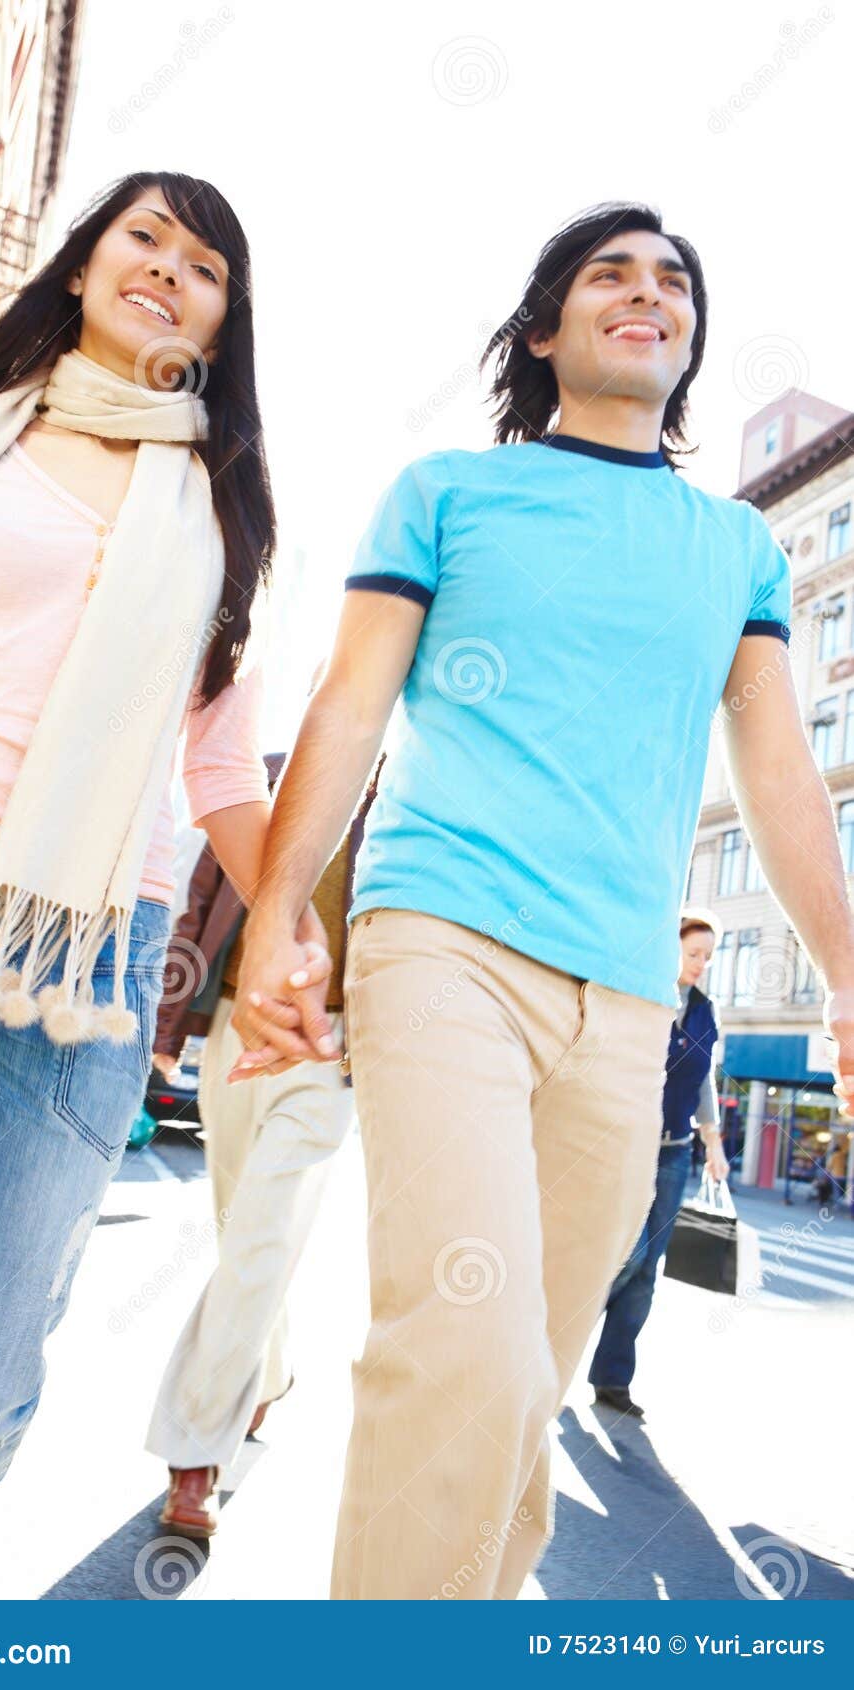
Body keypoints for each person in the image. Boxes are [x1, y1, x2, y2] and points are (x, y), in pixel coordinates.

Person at [228, 201, 854, 1600]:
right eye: (607, 276)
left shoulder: (734, 551)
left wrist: (841, 969)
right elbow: (348, 706)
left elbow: (774, 775)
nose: (646, 294)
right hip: (441, 934)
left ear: (686, 339)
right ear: (542, 329)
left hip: (625, 999)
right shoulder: (447, 493)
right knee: (456, 1345)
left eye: (670, 283)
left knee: (523, 1379)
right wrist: (277, 910)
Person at [0, 172, 327, 1600]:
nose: (165, 265)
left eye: (202, 258)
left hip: (94, 944)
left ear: (225, 315)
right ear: (83, 264)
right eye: (141, 234)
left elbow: (220, 774)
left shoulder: (226, 518)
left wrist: (285, 932)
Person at [144, 758, 381, 1535]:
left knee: (262, 1235)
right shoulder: (262, 777)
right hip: (238, 1037)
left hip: (329, 1051)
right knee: (240, 1236)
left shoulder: (416, 792)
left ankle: (194, 1454)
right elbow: (203, 904)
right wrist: (166, 1031)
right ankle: (268, 1372)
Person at [589, 909, 727, 1418]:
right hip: (627, 1142)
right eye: (694, 953)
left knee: (648, 1269)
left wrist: (712, 1144)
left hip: (674, 1151)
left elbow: (705, 1081)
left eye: (709, 956)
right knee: (627, 1255)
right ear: (671, 948)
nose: (702, 963)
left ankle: (612, 1380)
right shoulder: (641, 995)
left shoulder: (706, 1010)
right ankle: (552, 1344)